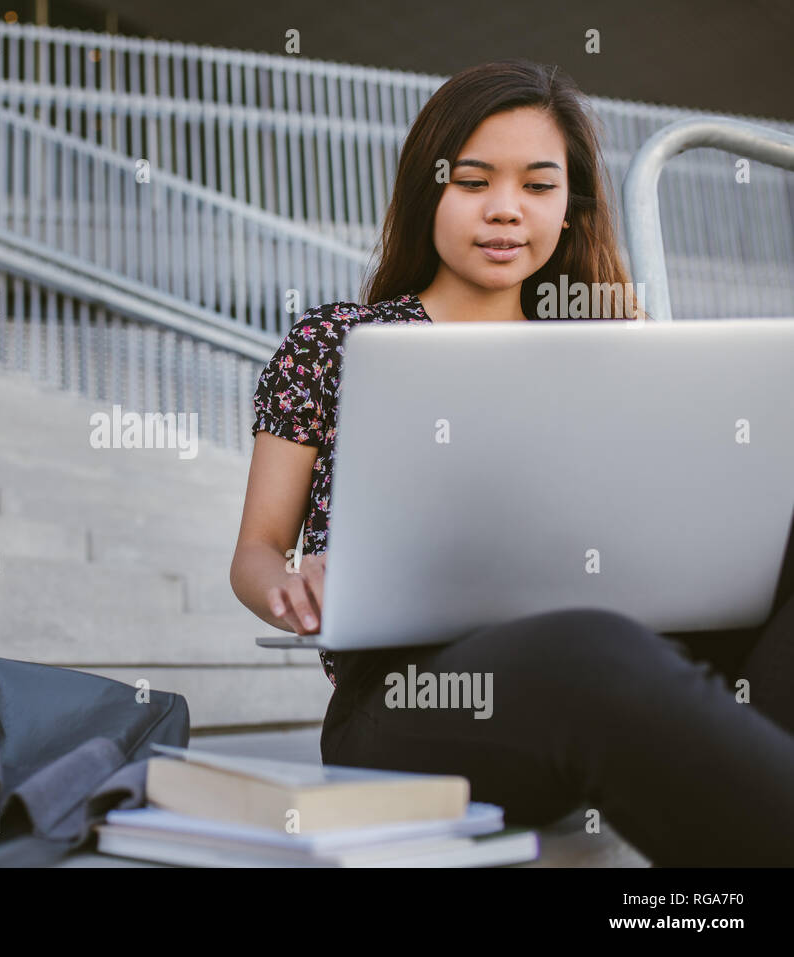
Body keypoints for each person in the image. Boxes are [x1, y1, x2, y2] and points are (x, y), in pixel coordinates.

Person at [228, 58, 794, 866]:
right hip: (405, 703)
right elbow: (255, 549)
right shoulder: (336, 343)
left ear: (570, 207)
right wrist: (286, 583)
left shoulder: (612, 351)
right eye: (473, 180)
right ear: (430, 190)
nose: (504, 210)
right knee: (593, 652)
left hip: (613, 664)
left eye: (538, 185)